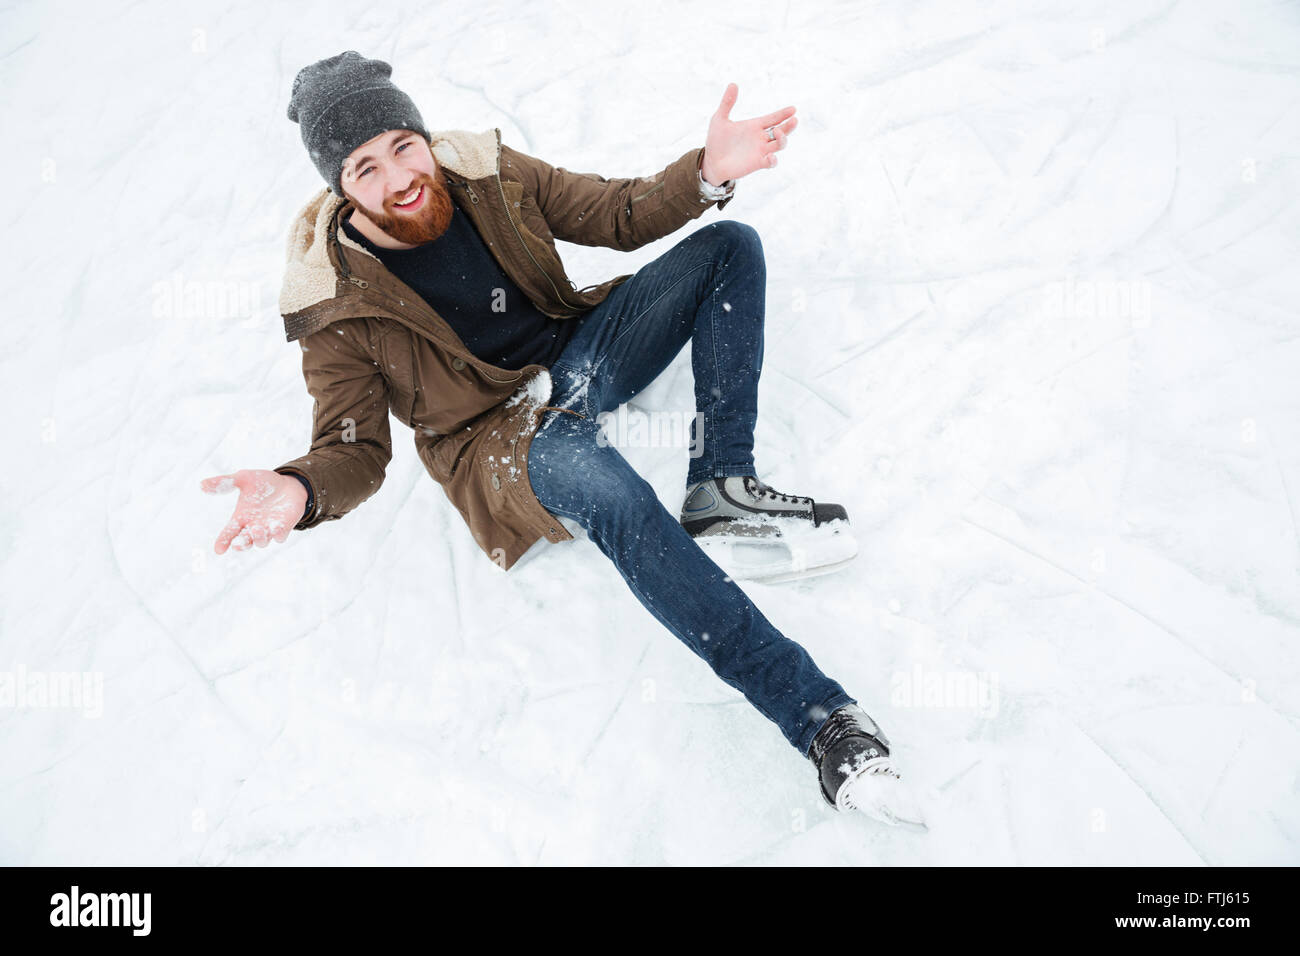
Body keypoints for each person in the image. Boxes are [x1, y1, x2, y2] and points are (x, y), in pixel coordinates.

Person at [200, 51, 925, 829]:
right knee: (609, 489)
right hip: (496, 437)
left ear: (422, 136)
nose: (397, 178)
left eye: (402, 146)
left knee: (729, 248)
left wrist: (706, 174)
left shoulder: (483, 173)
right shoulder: (335, 301)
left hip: (575, 355)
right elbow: (355, 448)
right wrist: (302, 487)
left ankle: (721, 486)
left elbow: (613, 213)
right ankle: (819, 719)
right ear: (341, 189)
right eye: (364, 168)